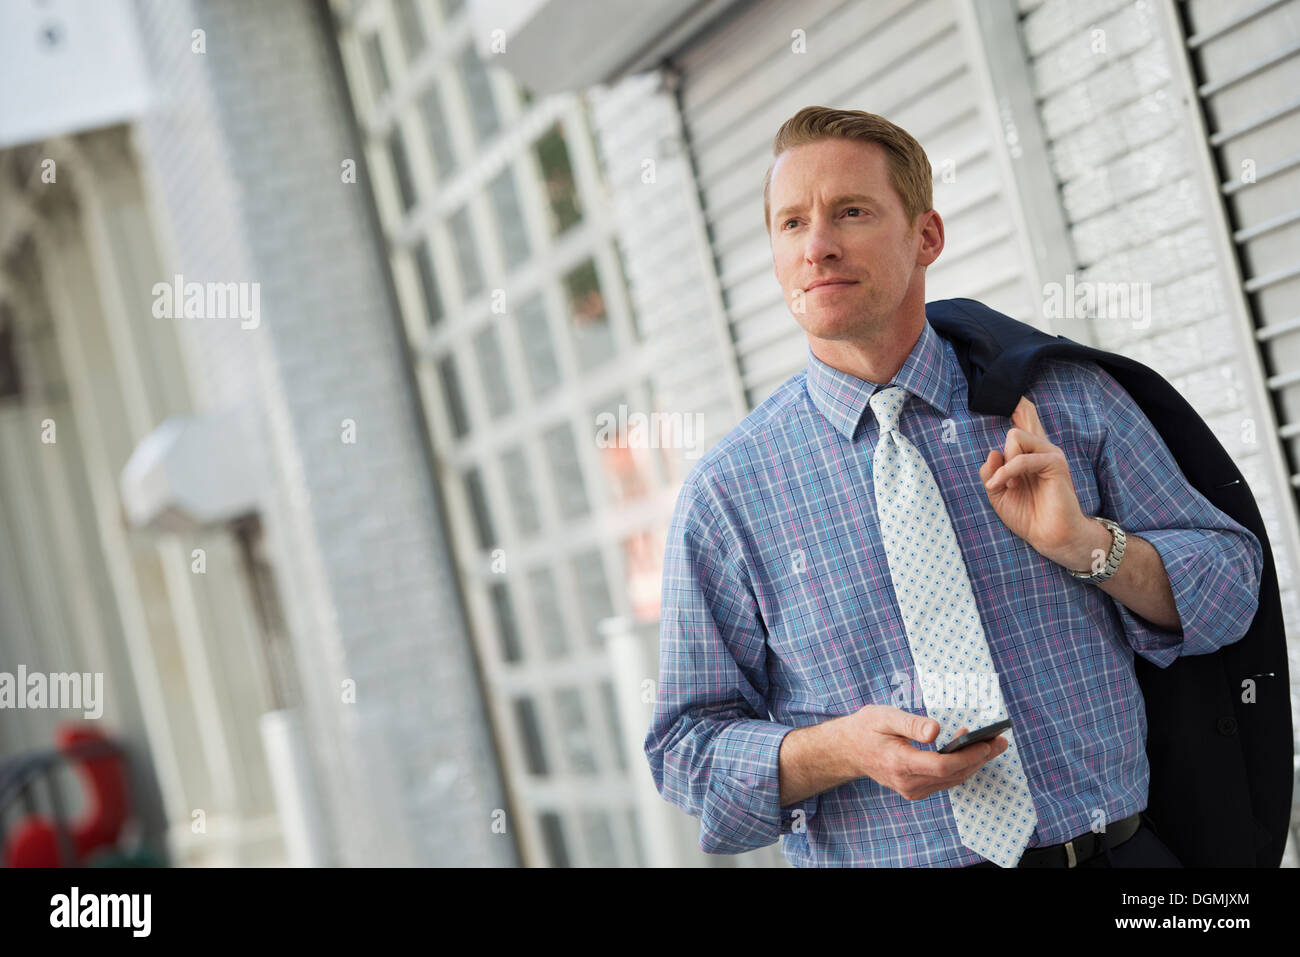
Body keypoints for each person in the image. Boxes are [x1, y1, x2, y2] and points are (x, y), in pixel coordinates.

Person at [643, 106, 1264, 868]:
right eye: (790, 223)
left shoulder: (1064, 400)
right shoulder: (728, 496)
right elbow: (684, 749)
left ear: (926, 236)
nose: (818, 246)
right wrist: (840, 749)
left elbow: (1233, 586)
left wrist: (1089, 546)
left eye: (851, 211)